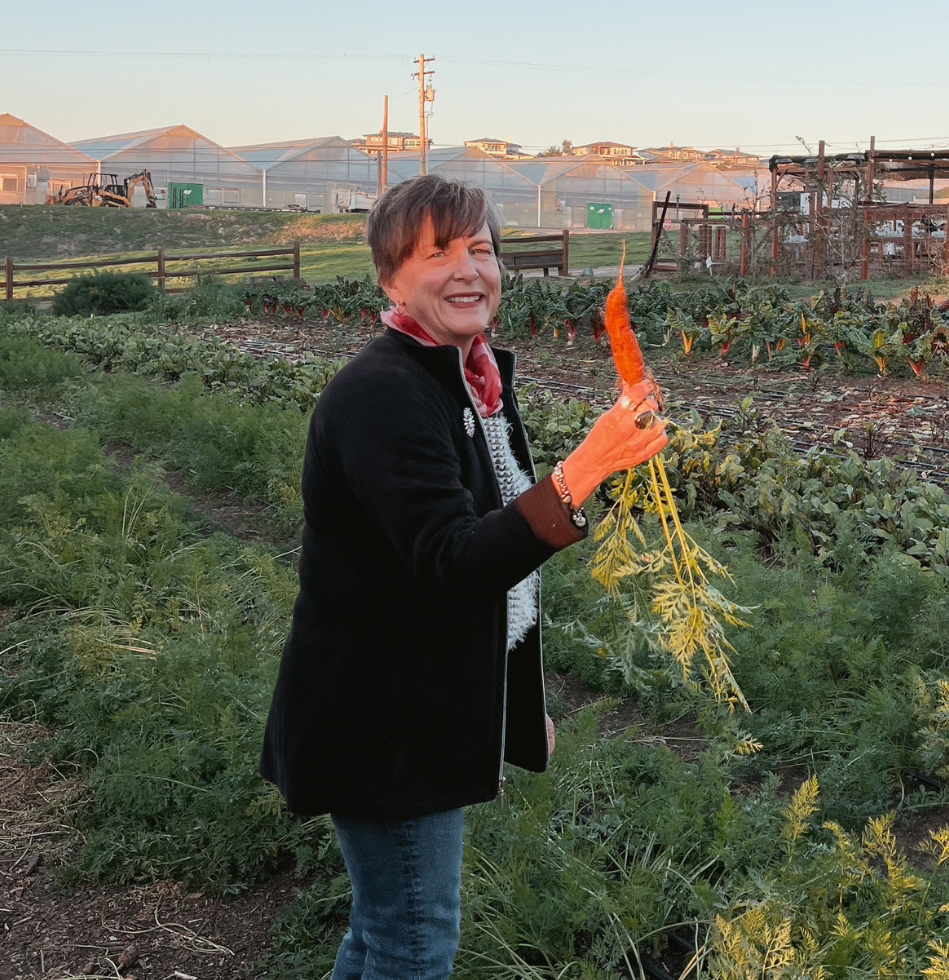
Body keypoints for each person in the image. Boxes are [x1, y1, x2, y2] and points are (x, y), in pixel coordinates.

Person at [259, 174, 666, 980]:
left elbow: (497, 564)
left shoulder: (467, 377)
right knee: (413, 945)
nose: (466, 269)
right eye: (437, 252)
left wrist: (514, 707)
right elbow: (454, 564)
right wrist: (585, 468)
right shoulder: (385, 395)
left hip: (408, 707)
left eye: (479, 249)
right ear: (390, 278)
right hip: (386, 729)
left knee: (382, 935)